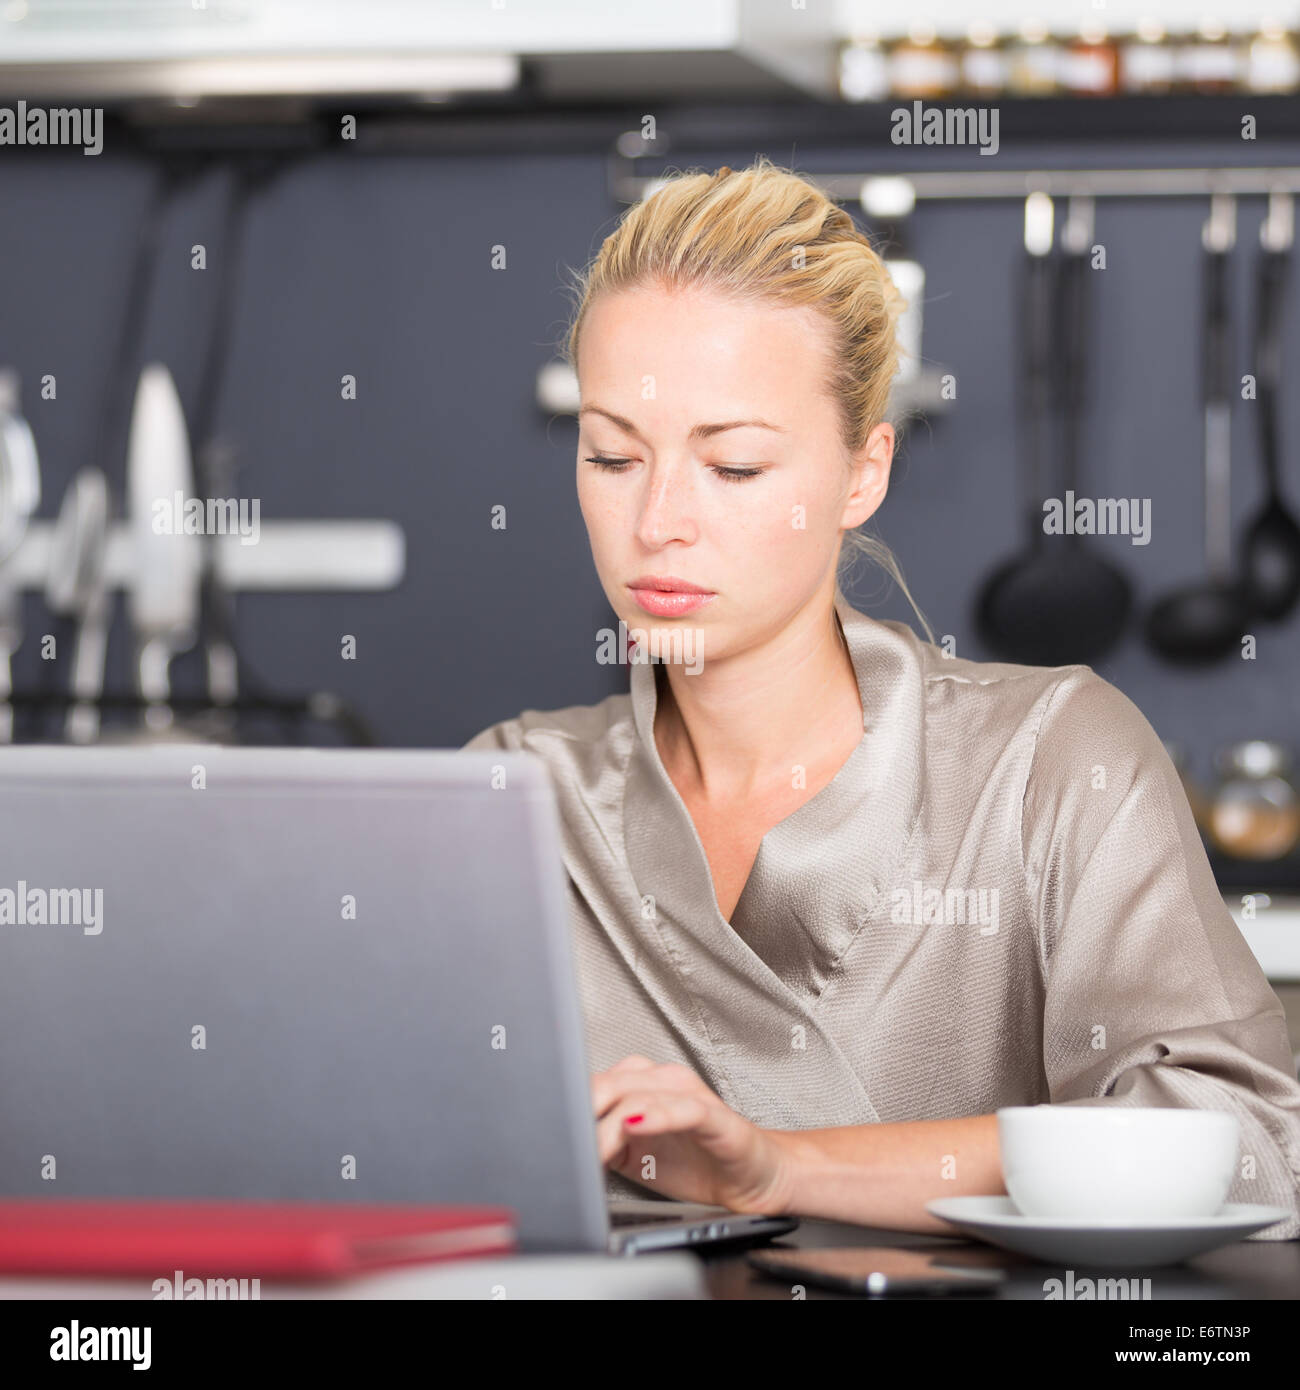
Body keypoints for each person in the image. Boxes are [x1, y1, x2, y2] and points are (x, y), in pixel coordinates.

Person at [464, 157, 1300, 1235]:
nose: (658, 518)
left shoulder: (1049, 763)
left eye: (735, 467)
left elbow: (1243, 1141)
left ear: (863, 473)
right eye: (613, 457)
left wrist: (781, 1169)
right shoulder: (512, 796)